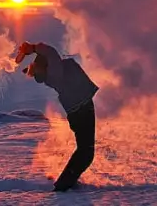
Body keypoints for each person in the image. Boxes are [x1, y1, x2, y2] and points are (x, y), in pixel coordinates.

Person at [15, 41, 99, 192]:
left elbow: (49, 57)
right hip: (82, 109)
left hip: (77, 111)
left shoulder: (52, 74)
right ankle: (63, 185)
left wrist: (33, 57)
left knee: (84, 150)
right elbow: (51, 52)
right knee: (86, 152)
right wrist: (33, 48)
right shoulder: (55, 72)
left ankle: (66, 182)